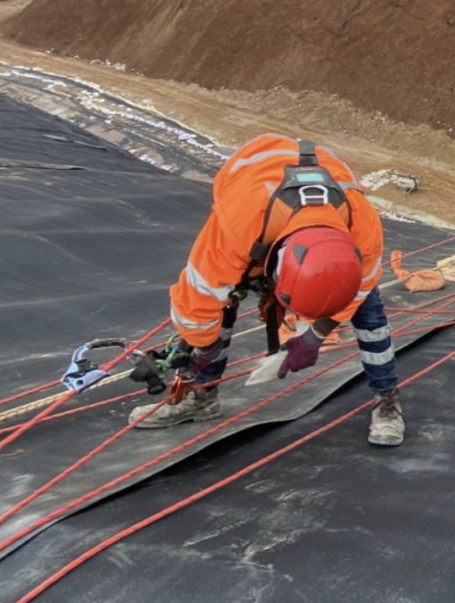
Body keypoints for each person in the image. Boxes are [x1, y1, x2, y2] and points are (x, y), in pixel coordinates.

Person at [130, 133, 404, 446]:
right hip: (256, 198)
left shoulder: (363, 232)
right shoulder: (237, 229)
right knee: (222, 307)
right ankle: (201, 397)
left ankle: (387, 400)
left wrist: (313, 338)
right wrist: (203, 351)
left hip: (308, 204)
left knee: (369, 312)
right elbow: (198, 304)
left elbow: (356, 293)